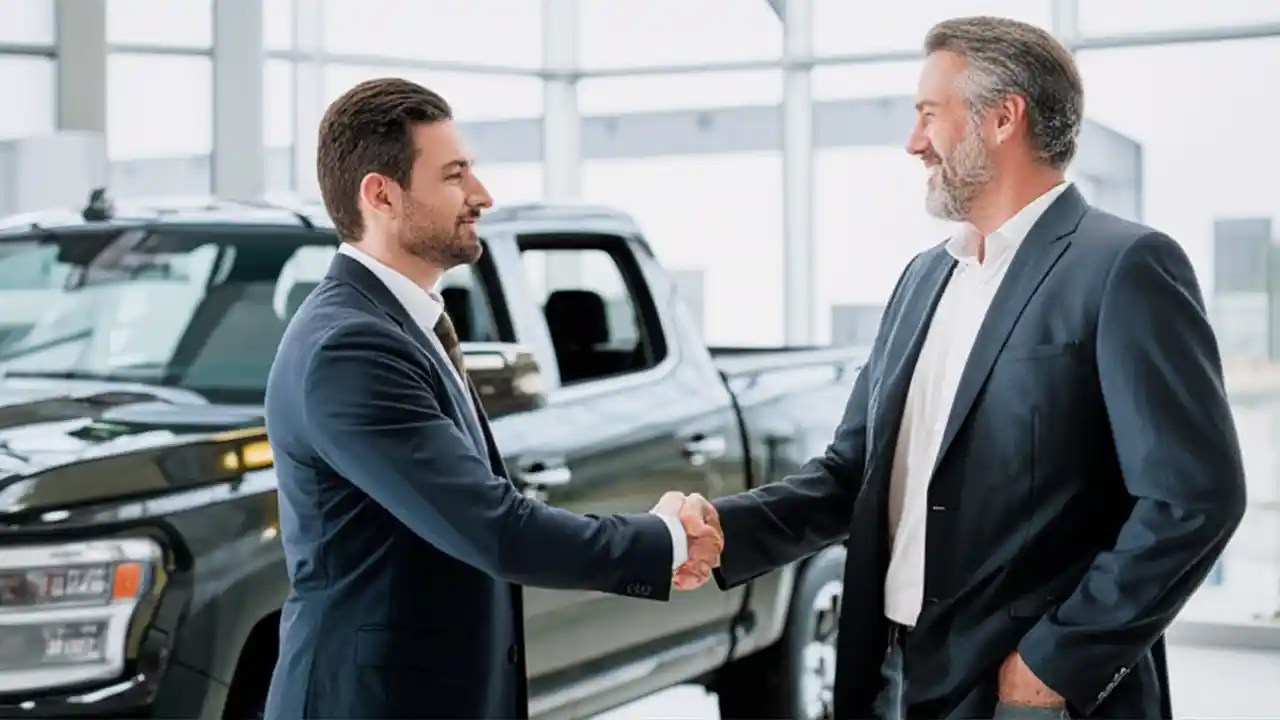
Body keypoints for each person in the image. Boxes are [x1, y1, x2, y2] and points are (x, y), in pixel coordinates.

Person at [672, 15, 1247, 720]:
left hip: (1031, 695)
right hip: (894, 675)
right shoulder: (922, 279)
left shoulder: (1125, 266)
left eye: (928, 115)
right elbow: (850, 476)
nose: (914, 142)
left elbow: (1194, 498)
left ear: (1003, 119)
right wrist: (727, 529)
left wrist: (1055, 661)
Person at [261, 77, 721, 719]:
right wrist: (662, 540)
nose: (481, 194)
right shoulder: (351, 349)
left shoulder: (398, 325)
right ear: (381, 194)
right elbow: (494, 529)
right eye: (454, 175)